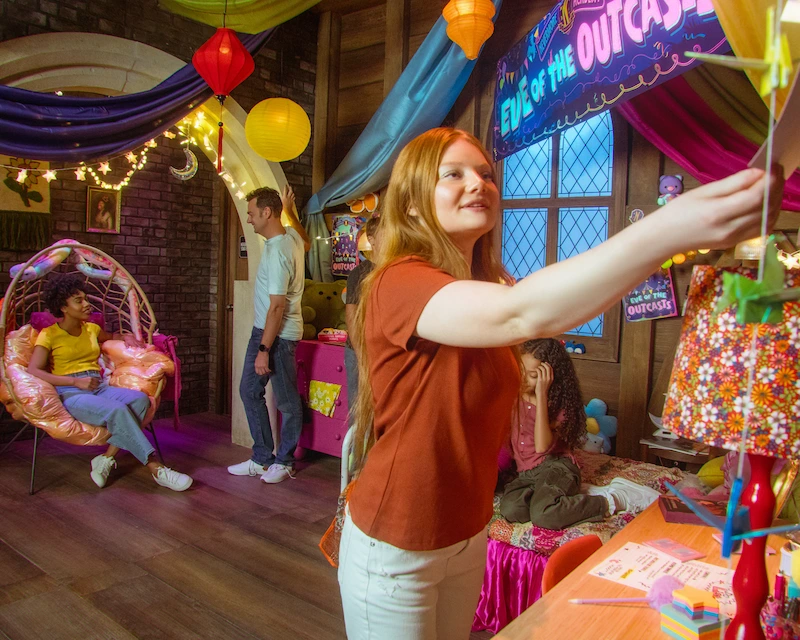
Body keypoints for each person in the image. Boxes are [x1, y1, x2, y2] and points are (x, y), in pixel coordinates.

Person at [339, 127, 782, 640]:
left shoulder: (484, 285)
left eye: (485, 173)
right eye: (453, 174)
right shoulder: (399, 281)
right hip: (397, 544)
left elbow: (553, 308)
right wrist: (671, 227)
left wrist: (671, 242)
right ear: (412, 205)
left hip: (467, 533)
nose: (479, 183)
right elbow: (523, 314)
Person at [27, 273, 193, 491]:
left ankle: (106, 458)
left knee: (142, 400)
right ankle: (157, 468)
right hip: (72, 392)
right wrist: (75, 383)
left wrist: (125, 337)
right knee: (117, 410)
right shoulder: (49, 335)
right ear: (63, 307)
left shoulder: (91, 330)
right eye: (79, 301)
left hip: (99, 387)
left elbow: (111, 336)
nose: (87, 304)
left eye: (86, 298)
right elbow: (33, 369)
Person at [498, 338, 657, 529]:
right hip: (527, 472)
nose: (523, 379)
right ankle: (565, 494)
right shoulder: (514, 397)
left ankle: (611, 499)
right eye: (521, 371)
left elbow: (542, 446)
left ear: (549, 377)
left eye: (531, 375)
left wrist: (541, 394)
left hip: (555, 466)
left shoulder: (557, 404)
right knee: (511, 510)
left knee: (544, 515)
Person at [227, 185, 305, 484]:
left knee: (286, 401)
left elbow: (277, 306)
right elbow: (307, 242)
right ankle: (261, 459)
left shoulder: (277, 254)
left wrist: (264, 349)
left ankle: (284, 461)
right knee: (249, 391)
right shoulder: (291, 237)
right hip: (267, 331)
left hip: (278, 335)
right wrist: (291, 213)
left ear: (267, 212)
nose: (249, 219)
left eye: (251, 213)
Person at [344, 215, 381, 415]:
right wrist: (360, 354)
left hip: (383, 350)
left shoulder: (396, 270)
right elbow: (352, 315)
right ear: (372, 239)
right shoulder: (360, 273)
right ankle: (356, 448)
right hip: (361, 350)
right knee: (358, 413)